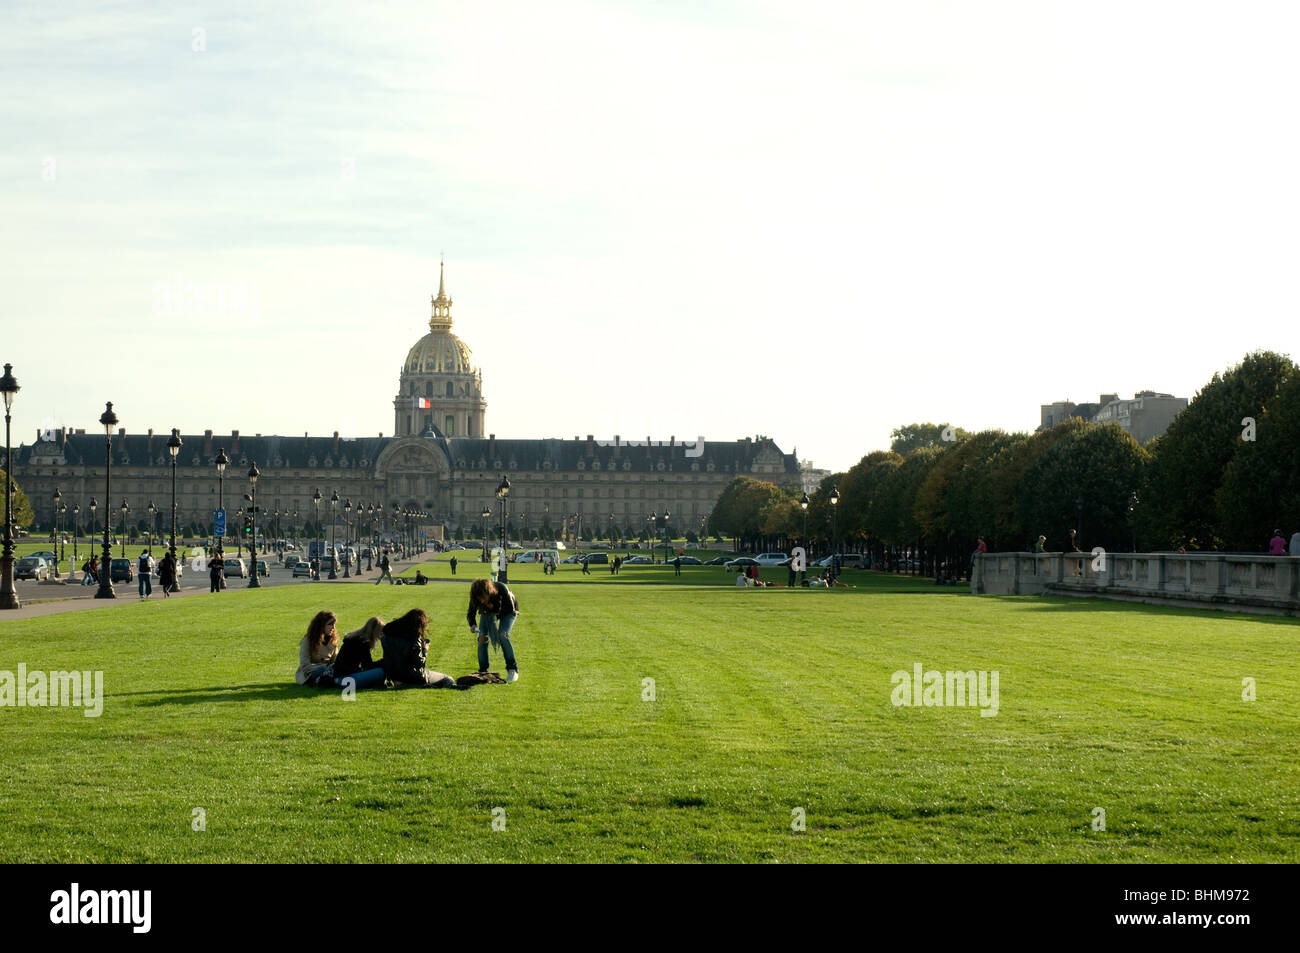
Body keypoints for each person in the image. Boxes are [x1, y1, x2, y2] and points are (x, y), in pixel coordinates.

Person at [381, 608, 458, 688]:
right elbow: (419, 663)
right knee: (447, 678)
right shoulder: (414, 636)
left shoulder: (387, 634)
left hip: (394, 675)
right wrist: (425, 649)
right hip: (413, 676)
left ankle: (403, 684)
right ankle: (453, 686)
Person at [467, 577, 520, 682]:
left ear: (489, 592)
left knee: (503, 635)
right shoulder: (476, 597)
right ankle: (483, 671)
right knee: (482, 638)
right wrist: (472, 624)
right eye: (479, 598)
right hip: (488, 611)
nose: (481, 600)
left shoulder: (501, 588)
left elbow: (509, 608)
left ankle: (512, 669)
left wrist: (493, 609)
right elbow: (471, 612)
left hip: (509, 611)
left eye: (483, 597)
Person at [333, 617, 388, 690]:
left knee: (379, 671)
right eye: (380, 633)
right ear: (374, 631)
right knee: (381, 671)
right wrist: (384, 662)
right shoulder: (362, 643)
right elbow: (368, 666)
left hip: (340, 677)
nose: (380, 636)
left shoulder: (355, 638)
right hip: (346, 679)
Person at [296, 610, 340, 687]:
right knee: (322, 671)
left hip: (329, 670)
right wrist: (325, 668)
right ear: (321, 625)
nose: (333, 628)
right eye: (330, 624)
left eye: (334, 624)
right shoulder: (307, 641)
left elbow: (336, 662)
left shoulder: (333, 641)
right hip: (310, 674)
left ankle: (328, 680)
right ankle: (324, 680)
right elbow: (305, 666)